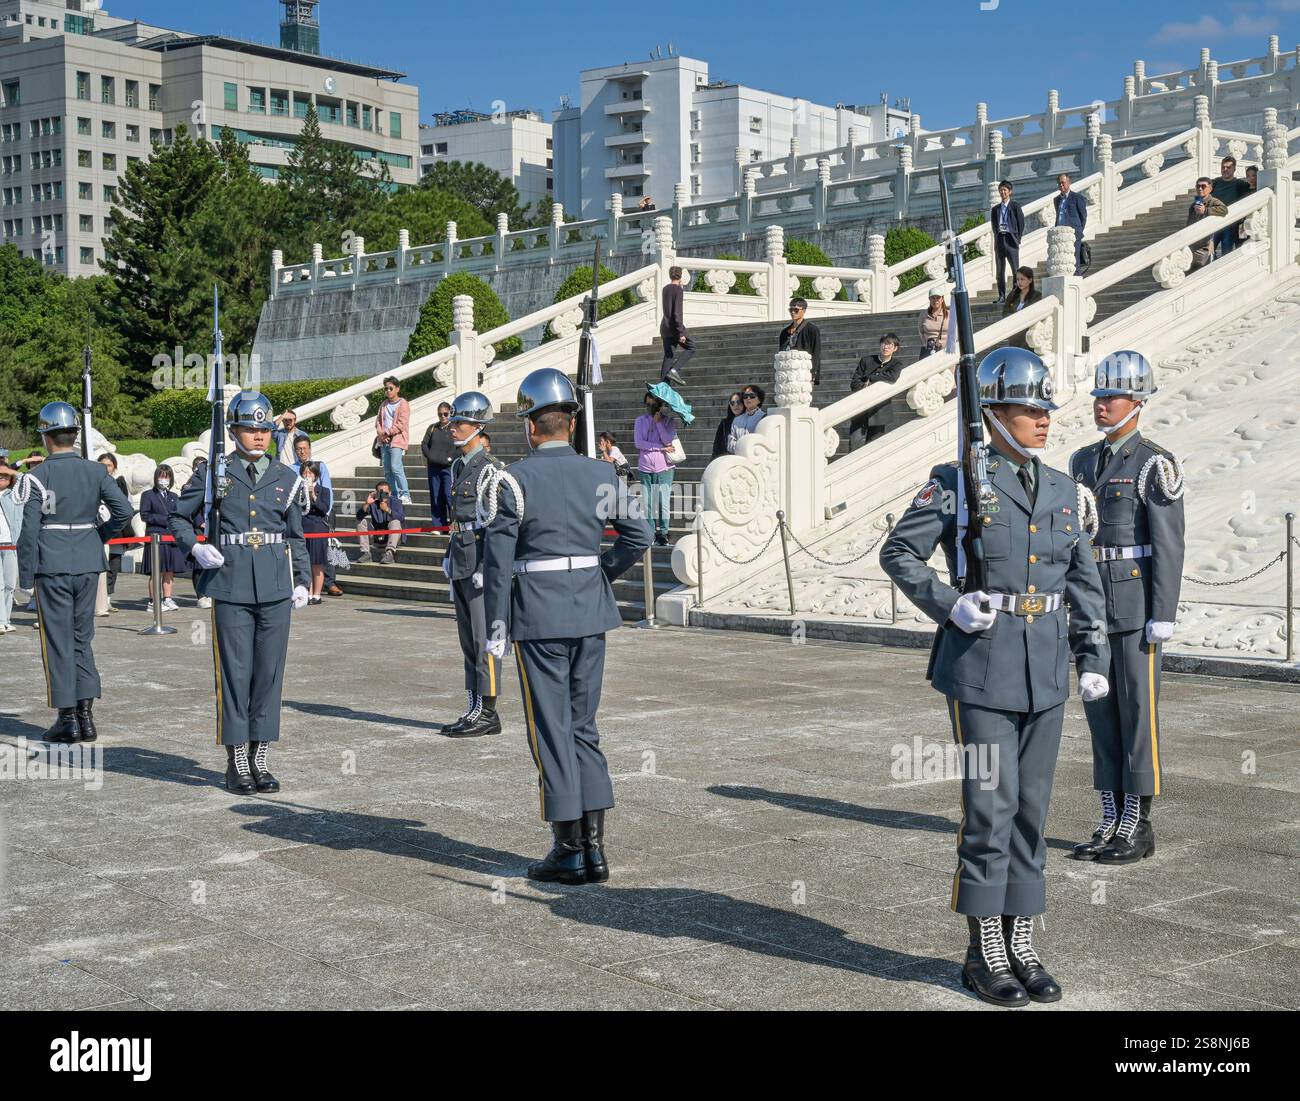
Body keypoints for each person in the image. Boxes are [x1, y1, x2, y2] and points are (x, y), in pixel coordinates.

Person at [880, 347, 1110, 1008]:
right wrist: (948, 601)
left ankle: (1022, 939)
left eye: (1044, 409)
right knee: (991, 807)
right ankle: (984, 946)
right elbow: (898, 551)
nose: (1043, 420)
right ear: (995, 413)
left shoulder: (1065, 490)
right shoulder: (956, 481)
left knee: (1032, 812)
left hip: (1046, 672)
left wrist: (1091, 658)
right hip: (982, 668)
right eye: (1029, 409)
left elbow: (1082, 584)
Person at [481, 367, 651, 884]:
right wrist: (601, 572)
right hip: (589, 612)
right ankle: (596, 849)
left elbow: (497, 561)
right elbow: (639, 535)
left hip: (538, 614)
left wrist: (496, 624)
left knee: (550, 730)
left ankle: (568, 849)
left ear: (530, 426)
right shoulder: (602, 475)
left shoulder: (511, 480)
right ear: (572, 424)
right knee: (583, 726)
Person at [1068, 351, 1185, 867]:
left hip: (1136, 607)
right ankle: (1111, 814)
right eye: (1098, 396)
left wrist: (1163, 611)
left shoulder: (1154, 463)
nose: (1101, 405)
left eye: (1111, 397)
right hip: (1092, 604)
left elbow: (1168, 544)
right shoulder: (1081, 462)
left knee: (1138, 715)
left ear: (1138, 403)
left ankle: (1138, 822)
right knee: (1101, 714)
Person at [170, 391, 311, 794]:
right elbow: (179, 517)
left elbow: (296, 534)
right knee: (235, 673)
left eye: (264, 429)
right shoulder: (215, 472)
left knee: (268, 674)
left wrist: (301, 579)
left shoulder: (287, 476)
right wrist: (194, 546)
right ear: (233, 431)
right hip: (230, 582)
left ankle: (259, 756)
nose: (259, 436)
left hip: (274, 584)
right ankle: (236, 759)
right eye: (250, 429)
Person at [16, 402, 133, 742]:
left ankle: (67, 716)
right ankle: (86, 714)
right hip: (87, 562)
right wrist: (99, 536)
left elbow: (29, 532)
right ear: (74, 436)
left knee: (58, 641)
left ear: (46, 437)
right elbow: (123, 511)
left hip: (52, 565)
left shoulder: (36, 477)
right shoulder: (96, 472)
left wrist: (24, 579)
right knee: (82, 638)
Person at [439, 391, 505, 738]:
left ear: (478, 427)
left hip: (479, 559)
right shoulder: (457, 465)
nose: (452, 427)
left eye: (460, 422)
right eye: (453, 421)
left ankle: (489, 712)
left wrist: (486, 564)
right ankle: (474, 706)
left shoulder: (490, 469)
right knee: (468, 640)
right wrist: (451, 555)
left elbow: (495, 522)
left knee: (483, 640)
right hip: (462, 554)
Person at [292, 436, 340, 596]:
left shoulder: (320, 467)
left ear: (310, 449)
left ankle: (328, 583)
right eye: (299, 448)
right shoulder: (292, 469)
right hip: (302, 520)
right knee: (304, 559)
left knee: (320, 557)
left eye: (305, 448)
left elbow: (327, 490)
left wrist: (325, 512)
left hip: (319, 518)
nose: (302, 451)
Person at [139, 464, 187, 612]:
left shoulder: (174, 496)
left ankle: (167, 598)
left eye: (167, 477)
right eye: (161, 476)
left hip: (171, 537)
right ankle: (153, 602)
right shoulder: (148, 495)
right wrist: (165, 519)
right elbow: (145, 515)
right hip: (156, 536)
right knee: (156, 570)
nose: (164, 479)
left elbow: (178, 514)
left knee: (169, 570)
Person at [634, 391, 678, 547]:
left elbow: (669, 442)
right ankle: (651, 532)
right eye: (647, 404)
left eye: (653, 404)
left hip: (664, 467)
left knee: (662, 501)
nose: (650, 407)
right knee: (647, 502)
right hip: (645, 466)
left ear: (660, 405)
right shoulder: (640, 421)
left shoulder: (669, 422)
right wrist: (659, 447)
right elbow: (639, 443)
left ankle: (664, 533)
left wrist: (658, 423)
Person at [849, 334, 905, 450]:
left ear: (895, 348)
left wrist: (871, 378)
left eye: (890, 344)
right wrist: (866, 384)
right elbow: (854, 383)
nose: (886, 347)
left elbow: (892, 377)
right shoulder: (866, 361)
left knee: (874, 448)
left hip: (880, 411)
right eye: (884, 343)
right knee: (854, 445)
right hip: (860, 409)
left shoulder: (896, 364)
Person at [96, 453, 132, 615]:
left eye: (109, 465)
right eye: (102, 465)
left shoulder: (119, 484)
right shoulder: (93, 483)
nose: (106, 468)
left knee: (113, 566)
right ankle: (98, 601)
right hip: (98, 530)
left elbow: (125, 507)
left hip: (115, 531)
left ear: (114, 467)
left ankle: (108, 598)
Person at [375, 376, 413, 505]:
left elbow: (401, 424)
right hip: (384, 441)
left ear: (397, 389)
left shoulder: (403, 404)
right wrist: (381, 434)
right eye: (386, 388)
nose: (388, 391)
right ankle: (394, 494)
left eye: (391, 388)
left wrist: (387, 432)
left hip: (397, 440)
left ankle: (405, 494)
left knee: (396, 467)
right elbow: (378, 422)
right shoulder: (383, 405)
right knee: (387, 470)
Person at [299, 460, 332, 604]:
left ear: (316, 475)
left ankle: (317, 594)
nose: (307, 475)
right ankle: (309, 592)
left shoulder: (323, 490)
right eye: (305, 472)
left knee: (317, 562)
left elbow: (324, 509)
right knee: (305, 562)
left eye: (310, 473)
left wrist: (313, 496)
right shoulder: (298, 490)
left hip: (317, 527)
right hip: (303, 527)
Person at [420, 402, 456, 527]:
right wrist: (430, 456)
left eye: (445, 414)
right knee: (436, 496)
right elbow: (424, 444)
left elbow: (461, 445)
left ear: (450, 413)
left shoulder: (454, 427)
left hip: (449, 467)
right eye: (440, 414)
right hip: (433, 467)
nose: (443, 416)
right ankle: (438, 525)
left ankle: (453, 524)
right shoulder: (432, 428)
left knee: (448, 495)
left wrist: (451, 459)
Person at [355, 481, 405, 564]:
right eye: (380, 493)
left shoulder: (396, 502)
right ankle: (366, 553)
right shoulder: (373, 503)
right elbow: (358, 516)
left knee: (395, 521)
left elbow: (402, 518)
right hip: (376, 537)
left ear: (390, 493)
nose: (383, 495)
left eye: (386, 493)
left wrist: (388, 510)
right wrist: (367, 503)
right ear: (376, 493)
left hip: (393, 538)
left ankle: (390, 553)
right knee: (361, 521)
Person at [991, 180, 1025, 303]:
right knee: (1000, 271)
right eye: (1001, 190)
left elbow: (1021, 223)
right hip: (1000, 240)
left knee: (1015, 269)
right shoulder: (995, 209)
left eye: (1005, 190)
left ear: (1010, 191)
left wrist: (1018, 238)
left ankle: (1015, 294)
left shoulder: (1015, 206)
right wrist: (997, 236)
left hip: (1011, 241)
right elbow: (994, 225)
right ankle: (1001, 296)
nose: (1002, 192)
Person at [659, 265, 694, 385]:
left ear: (670, 275)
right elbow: (677, 312)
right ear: (680, 276)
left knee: (668, 356)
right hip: (675, 328)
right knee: (692, 347)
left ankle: (662, 387)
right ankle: (674, 370)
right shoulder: (678, 290)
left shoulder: (665, 289)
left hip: (665, 327)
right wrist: (680, 333)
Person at [1210, 155, 1250, 256]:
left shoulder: (1240, 184)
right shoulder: (1215, 182)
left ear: (1234, 169)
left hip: (1230, 224)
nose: (1225, 169)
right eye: (1223, 167)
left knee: (1226, 252)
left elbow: (1253, 190)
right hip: (1213, 223)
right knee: (1207, 252)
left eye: (1228, 167)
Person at [1187, 178, 1229, 269]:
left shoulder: (1213, 201)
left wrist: (1206, 210)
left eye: (1203, 186)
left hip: (1206, 244)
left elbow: (1224, 210)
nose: (1200, 189)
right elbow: (1189, 224)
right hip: (1193, 243)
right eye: (1198, 186)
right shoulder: (1193, 205)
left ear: (1210, 188)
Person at [778, 298, 822, 385]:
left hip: (804, 373)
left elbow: (816, 353)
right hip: (787, 373)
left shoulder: (812, 330)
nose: (793, 312)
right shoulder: (784, 332)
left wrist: (813, 376)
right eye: (791, 310)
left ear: (804, 310)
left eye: (796, 310)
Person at [0, 464, 22, 634]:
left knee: (9, 585)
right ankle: (1, 620)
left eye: (5, 475)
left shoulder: (16, 495)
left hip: (11, 545)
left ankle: (6, 619)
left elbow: (28, 481)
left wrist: (12, 471)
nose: (2, 477)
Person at [1052, 173, 1088, 275]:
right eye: (1059, 184)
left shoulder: (1077, 197)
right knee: (1062, 259)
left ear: (1069, 182)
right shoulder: (1057, 200)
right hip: (1060, 234)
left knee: (1074, 257)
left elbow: (1083, 216)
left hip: (1073, 233)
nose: (1061, 185)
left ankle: (1077, 276)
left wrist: (1078, 230)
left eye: (1063, 183)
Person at [727, 385, 766, 454]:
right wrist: (740, 449)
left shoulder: (764, 418)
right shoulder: (736, 420)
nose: (748, 398)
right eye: (745, 396)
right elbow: (730, 443)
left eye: (752, 396)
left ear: (759, 400)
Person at [918, 292, 949, 358]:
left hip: (947, 350)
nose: (935, 300)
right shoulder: (923, 314)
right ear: (929, 299)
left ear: (942, 299)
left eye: (938, 298)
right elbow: (921, 331)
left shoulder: (949, 314)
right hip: (929, 350)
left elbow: (955, 332)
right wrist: (925, 343)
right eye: (933, 298)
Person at [712, 393, 744, 459]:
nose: (735, 405)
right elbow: (717, 446)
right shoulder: (724, 423)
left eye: (738, 402)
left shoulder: (750, 421)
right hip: (727, 461)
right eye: (732, 403)